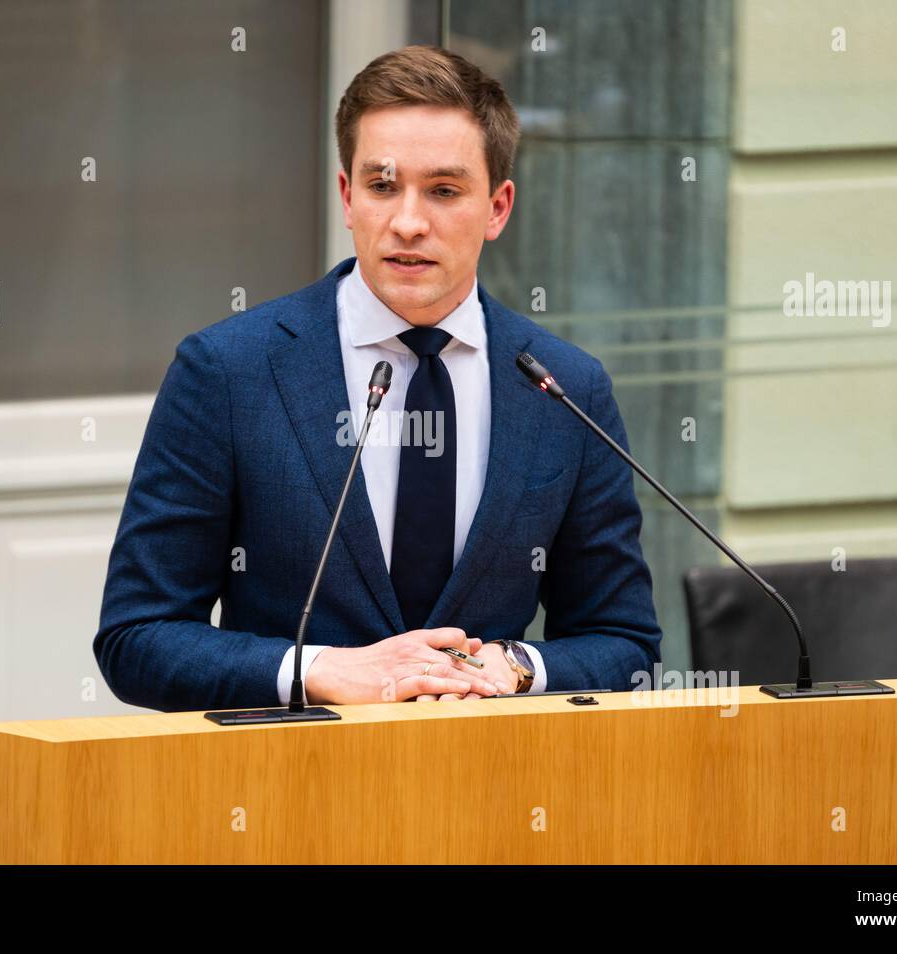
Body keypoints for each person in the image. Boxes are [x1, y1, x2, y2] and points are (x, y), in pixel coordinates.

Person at [94, 45, 661, 712]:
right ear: (347, 196)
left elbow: (624, 643)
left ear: (498, 208)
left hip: (491, 793)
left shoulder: (566, 387)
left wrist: (515, 665)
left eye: (444, 191)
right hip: (284, 793)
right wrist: (318, 670)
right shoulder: (227, 372)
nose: (408, 222)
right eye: (383, 186)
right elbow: (137, 637)